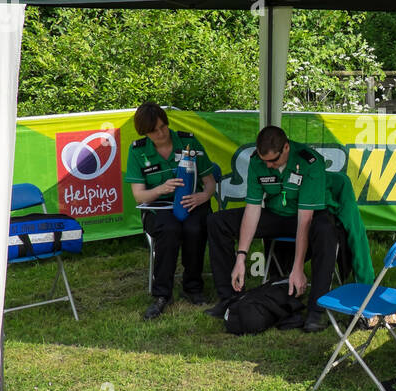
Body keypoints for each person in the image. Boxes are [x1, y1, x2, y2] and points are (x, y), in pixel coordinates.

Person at [206, 126, 340, 333]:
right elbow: (253, 210)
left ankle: (317, 310)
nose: (267, 165)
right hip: (277, 214)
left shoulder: (310, 162)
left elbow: (305, 220)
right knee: (217, 221)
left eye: (273, 161)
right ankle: (230, 298)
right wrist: (241, 257)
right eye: (264, 160)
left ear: (286, 147)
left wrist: (298, 269)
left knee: (326, 231)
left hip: (308, 216)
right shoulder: (258, 161)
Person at [125, 102, 217, 320]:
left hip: (191, 201)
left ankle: (193, 287)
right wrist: (160, 189)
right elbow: (139, 195)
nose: (160, 133)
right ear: (144, 132)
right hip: (158, 207)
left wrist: (203, 196)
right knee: (170, 230)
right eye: (153, 131)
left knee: (195, 228)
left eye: (163, 127)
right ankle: (162, 294)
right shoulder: (138, 150)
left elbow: (210, 182)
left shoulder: (187, 140)